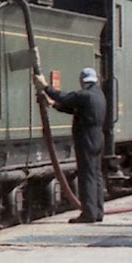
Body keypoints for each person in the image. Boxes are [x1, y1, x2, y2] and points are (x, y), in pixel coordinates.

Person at [34, 66, 107, 223]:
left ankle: (88, 213)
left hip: (86, 138)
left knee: (86, 175)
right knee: (96, 174)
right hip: (98, 138)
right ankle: (98, 211)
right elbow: (73, 109)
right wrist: (52, 104)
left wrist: (45, 86)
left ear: (82, 81)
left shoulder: (85, 95)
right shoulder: (98, 95)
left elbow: (65, 97)